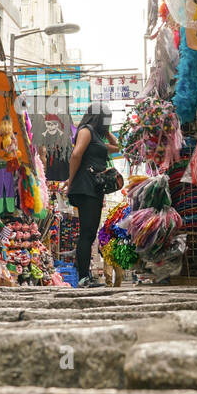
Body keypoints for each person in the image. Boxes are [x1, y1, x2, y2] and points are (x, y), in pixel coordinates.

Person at [66, 102, 120, 289]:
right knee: (87, 234)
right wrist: (70, 181)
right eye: (106, 119)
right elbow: (76, 155)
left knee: (89, 233)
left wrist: (105, 132)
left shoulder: (96, 135)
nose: (107, 123)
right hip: (85, 186)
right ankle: (83, 278)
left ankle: (85, 277)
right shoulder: (86, 130)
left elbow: (117, 146)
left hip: (95, 189)